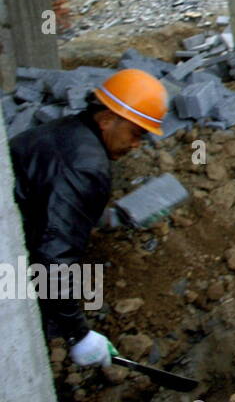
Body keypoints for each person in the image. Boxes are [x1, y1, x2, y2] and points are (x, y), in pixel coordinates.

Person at [10, 69, 167, 370]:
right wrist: (77, 335)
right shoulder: (87, 167)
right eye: (135, 133)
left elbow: (44, 201)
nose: (137, 145)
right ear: (107, 119)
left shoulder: (63, 131)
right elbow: (53, 256)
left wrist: (99, 217)